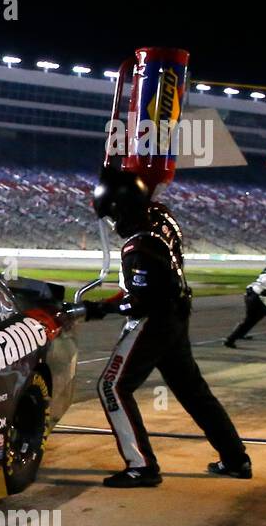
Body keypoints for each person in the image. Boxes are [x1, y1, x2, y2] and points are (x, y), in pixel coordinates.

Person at [85, 168, 251, 487]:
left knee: (112, 386)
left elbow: (139, 302)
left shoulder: (138, 249)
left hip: (155, 319)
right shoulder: (162, 216)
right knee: (193, 391)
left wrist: (99, 309)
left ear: (122, 210)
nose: (111, 223)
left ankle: (141, 465)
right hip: (177, 313)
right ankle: (236, 459)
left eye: (111, 215)